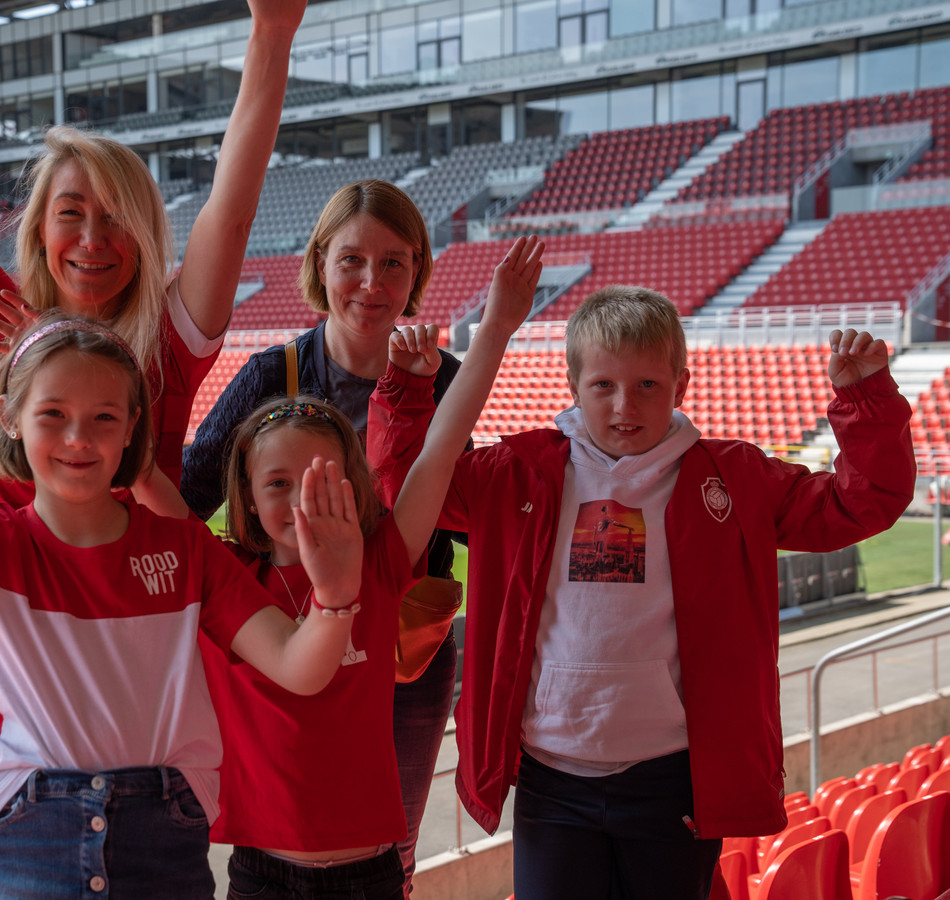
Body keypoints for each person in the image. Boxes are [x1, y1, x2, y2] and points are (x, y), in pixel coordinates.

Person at [0, 1, 304, 893]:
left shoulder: (164, 347)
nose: (92, 238)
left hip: (92, 723)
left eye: (117, 217)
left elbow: (231, 213)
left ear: (145, 235)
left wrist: (271, 33)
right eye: (71, 212)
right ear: (38, 226)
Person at [0, 200, 364, 900]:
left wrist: (334, 597)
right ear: (12, 423)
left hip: (163, 850)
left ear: (131, 431)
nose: (79, 438)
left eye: (103, 418)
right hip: (28, 846)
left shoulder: (184, 552)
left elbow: (299, 668)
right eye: (53, 415)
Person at [368, 284, 916, 899]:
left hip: (673, 779)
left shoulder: (732, 477)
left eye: (647, 386)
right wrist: (409, 392)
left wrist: (866, 397)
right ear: (573, 387)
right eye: (603, 386)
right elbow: (406, 489)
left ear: (680, 387)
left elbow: (860, 502)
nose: (624, 405)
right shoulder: (518, 473)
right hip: (551, 777)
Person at [141, 236, 542, 898]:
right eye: (277, 483)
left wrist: (495, 328)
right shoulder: (224, 576)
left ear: (355, 486)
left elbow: (440, 449)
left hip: (373, 877)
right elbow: (142, 482)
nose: (303, 498)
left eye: (321, 477)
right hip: (258, 875)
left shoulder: (382, 560)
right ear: (244, 496)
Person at [180, 179, 464, 889]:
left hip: (403, 649)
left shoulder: (446, 378)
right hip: (284, 637)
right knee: (282, 839)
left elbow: (461, 512)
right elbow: (189, 498)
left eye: (394, 262)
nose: (372, 283)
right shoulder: (267, 375)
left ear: (418, 271)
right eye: (352, 260)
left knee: (387, 853)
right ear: (320, 263)